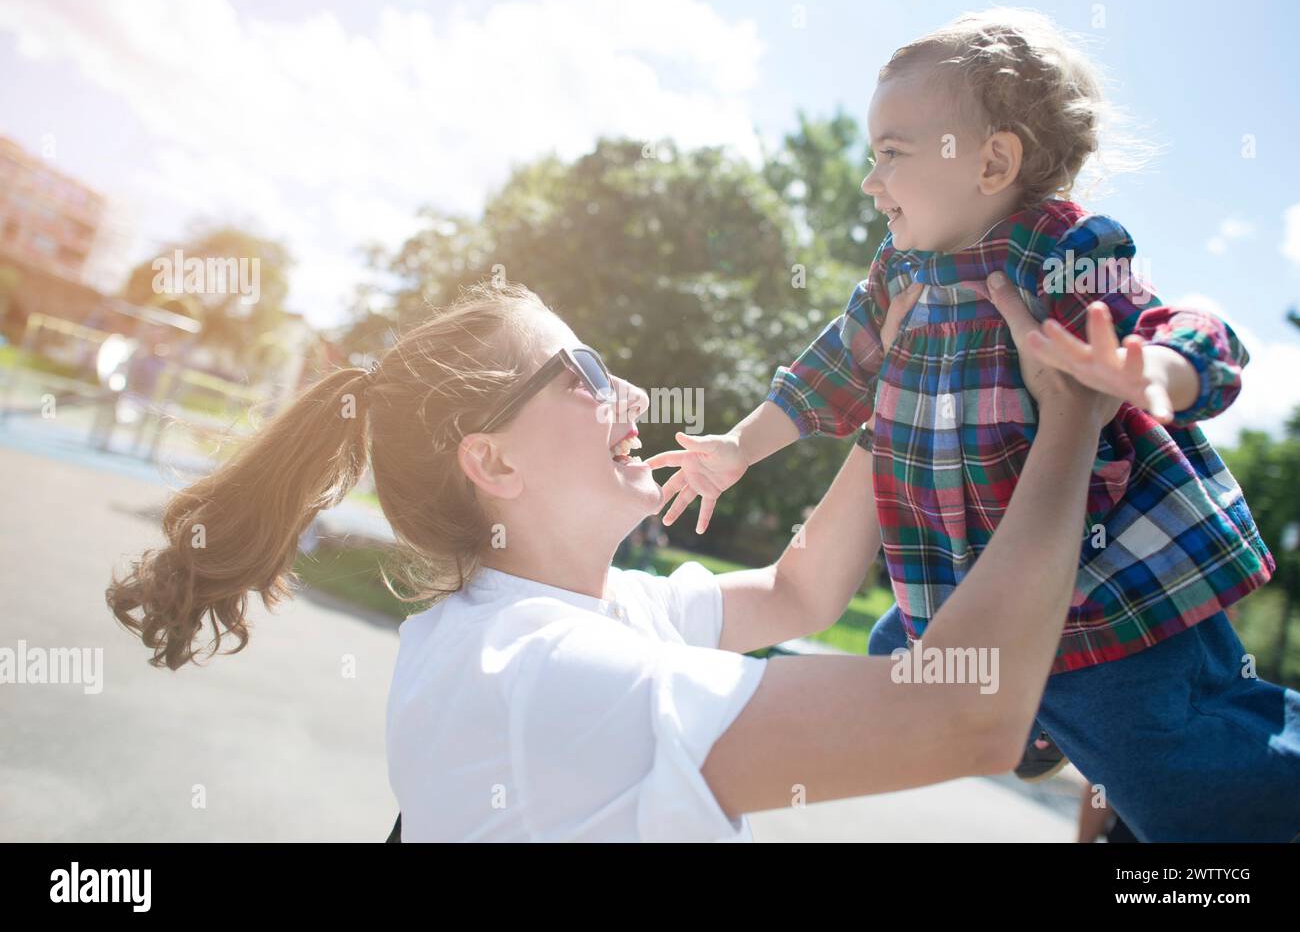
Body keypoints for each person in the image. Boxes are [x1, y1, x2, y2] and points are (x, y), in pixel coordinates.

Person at [109, 276, 1119, 842]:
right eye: (582, 372)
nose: (628, 390)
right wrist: (1071, 425)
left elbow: (800, 591)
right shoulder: (535, 671)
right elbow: (967, 718)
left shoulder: (574, 617)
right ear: (492, 461)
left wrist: (899, 383)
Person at [649, 9, 1300, 841]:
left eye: (892, 153)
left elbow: (1185, 327)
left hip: (1095, 602)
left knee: (1192, 795)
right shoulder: (898, 274)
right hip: (953, 589)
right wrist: (739, 446)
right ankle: (1030, 719)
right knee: (897, 682)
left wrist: (1150, 372)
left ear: (991, 161)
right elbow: (829, 372)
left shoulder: (1054, 251)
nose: (869, 179)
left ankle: (1115, 738)